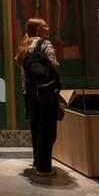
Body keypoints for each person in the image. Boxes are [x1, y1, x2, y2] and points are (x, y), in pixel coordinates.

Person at [16, 17, 61, 181]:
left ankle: (37, 162)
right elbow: (55, 65)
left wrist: (26, 92)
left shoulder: (24, 46)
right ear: (38, 30)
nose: (47, 28)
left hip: (30, 93)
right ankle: (44, 168)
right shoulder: (45, 44)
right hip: (46, 93)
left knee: (35, 128)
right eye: (44, 26)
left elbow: (23, 74)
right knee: (48, 130)